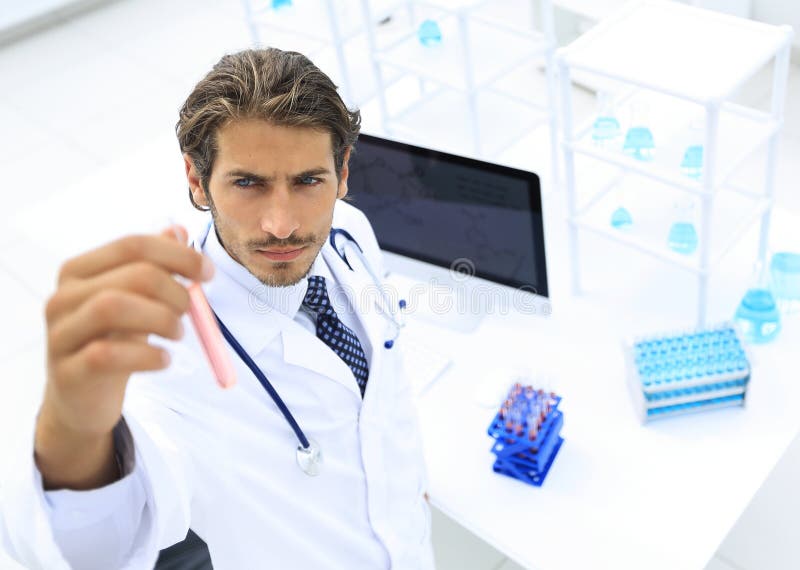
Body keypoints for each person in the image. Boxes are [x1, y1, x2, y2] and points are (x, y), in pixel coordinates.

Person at [0, 47, 434, 569]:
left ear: (341, 172)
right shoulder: (171, 360)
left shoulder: (350, 233)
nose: (282, 224)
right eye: (248, 183)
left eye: (307, 181)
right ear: (195, 180)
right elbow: (92, 549)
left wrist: (408, 484)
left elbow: (385, 384)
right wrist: (73, 420)